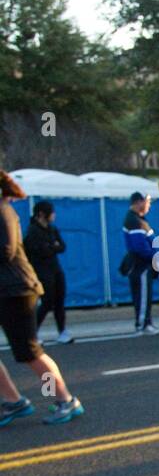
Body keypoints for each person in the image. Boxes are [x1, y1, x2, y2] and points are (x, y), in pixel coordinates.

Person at [0, 171, 83, 426]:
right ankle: (14, 401)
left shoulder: (3, 211)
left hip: (17, 291)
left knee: (29, 352)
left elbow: (6, 250)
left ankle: (65, 400)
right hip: (5, 290)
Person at [24, 201, 71, 344]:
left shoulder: (52, 229)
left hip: (55, 268)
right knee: (47, 301)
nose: (54, 215)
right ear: (42, 214)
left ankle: (62, 331)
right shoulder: (32, 231)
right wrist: (52, 246)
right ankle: (32, 333)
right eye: (51, 212)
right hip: (41, 271)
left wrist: (51, 246)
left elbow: (62, 246)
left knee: (59, 300)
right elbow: (39, 250)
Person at [123, 191, 159, 334]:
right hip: (141, 265)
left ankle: (146, 322)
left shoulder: (138, 219)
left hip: (141, 264)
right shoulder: (135, 221)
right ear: (139, 202)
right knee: (143, 295)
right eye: (147, 202)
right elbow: (140, 247)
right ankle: (143, 324)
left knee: (143, 295)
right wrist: (155, 257)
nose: (148, 205)